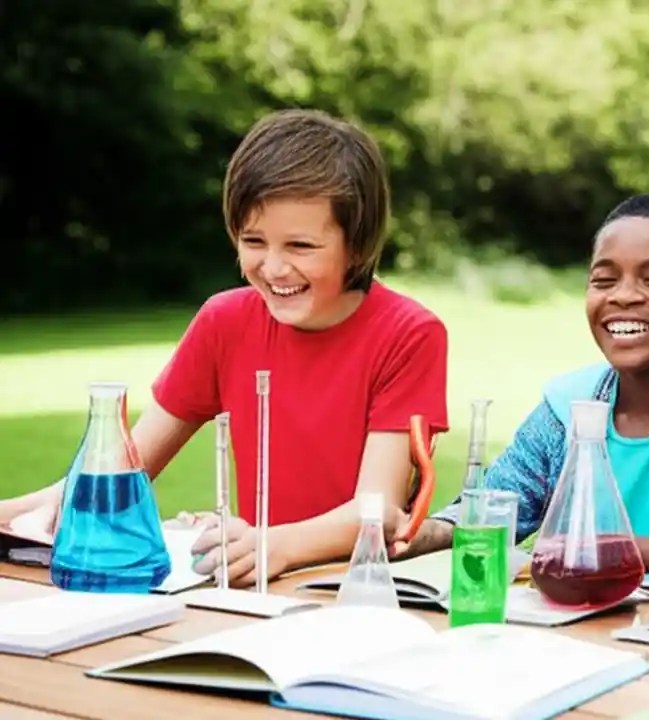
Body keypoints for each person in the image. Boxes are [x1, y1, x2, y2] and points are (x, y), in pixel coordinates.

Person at [0, 109, 449, 587]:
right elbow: (122, 471)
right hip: (255, 585)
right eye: (254, 241)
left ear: (356, 245)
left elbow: (376, 510)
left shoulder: (409, 333)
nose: (273, 268)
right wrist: (25, 510)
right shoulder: (225, 321)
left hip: (353, 589)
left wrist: (271, 543)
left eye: (299, 246)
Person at [391, 194, 649, 572]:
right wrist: (425, 534)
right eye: (604, 280)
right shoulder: (570, 402)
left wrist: (609, 550)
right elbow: (502, 506)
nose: (623, 296)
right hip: (578, 623)